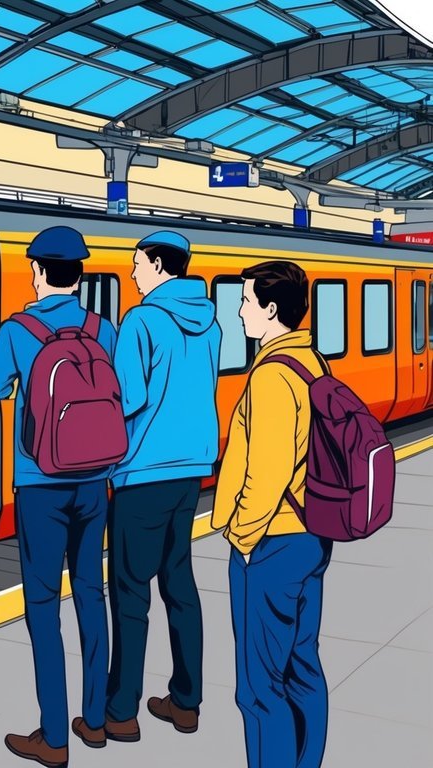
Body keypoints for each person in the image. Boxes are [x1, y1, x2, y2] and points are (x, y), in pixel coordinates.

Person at [0, 226, 116, 767]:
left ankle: (54, 737)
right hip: (93, 482)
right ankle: (96, 721)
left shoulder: (18, 330)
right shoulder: (104, 329)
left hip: (40, 486)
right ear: (79, 276)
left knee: (42, 606)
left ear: (36, 272)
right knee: (90, 594)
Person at [212, 260, 331, 768]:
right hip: (311, 537)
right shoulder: (313, 362)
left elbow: (267, 471)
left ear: (271, 309)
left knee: (259, 689)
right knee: (302, 669)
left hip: (272, 543)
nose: (239, 313)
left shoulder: (270, 377)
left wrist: (241, 535)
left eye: (245, 302)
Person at [105, 231, 220, 741]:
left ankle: (122, 711)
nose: (132, 273)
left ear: (156, 263)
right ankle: (187, 701)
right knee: (180, 585)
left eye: (136, 264)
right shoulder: (211, 323)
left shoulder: (141, 320)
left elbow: (128, 399)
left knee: (130, 592)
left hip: (143, 471)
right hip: (191, 469)